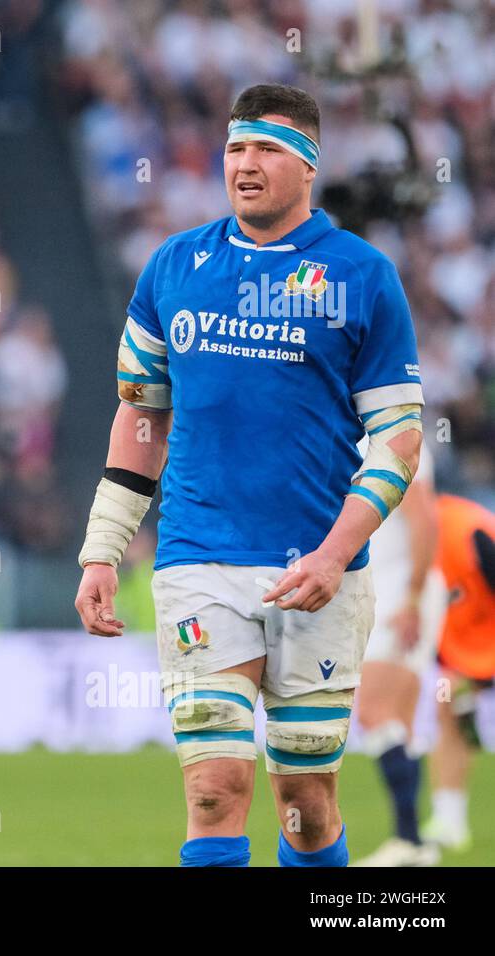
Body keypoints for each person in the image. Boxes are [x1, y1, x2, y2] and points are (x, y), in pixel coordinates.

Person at [74, 84, 424, 867]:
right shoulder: (174, 267)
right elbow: (142, 417)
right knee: (214, 786)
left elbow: (400, 441)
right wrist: (103, 547)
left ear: (308, 166)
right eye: (236, 148)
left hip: (320, 572)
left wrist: (335, 554)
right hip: (199, 559)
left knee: (304, 802)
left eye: (267, 149)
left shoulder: (362, 276)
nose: (246, 164)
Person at [352, 442, 446, 867]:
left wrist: (412, 595)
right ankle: (413, 842)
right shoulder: (361, 436)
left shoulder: (392, 436)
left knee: (372, 710)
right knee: (399, 722)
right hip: (397, 588)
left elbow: (424, 517)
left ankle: (408, 838)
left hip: (400, 589)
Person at [420, 493, 495, 853]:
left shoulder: (472, 532)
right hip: (459, 648)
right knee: (445, 707)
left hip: (487, 639)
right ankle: (449, 818)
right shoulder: (410, 539)